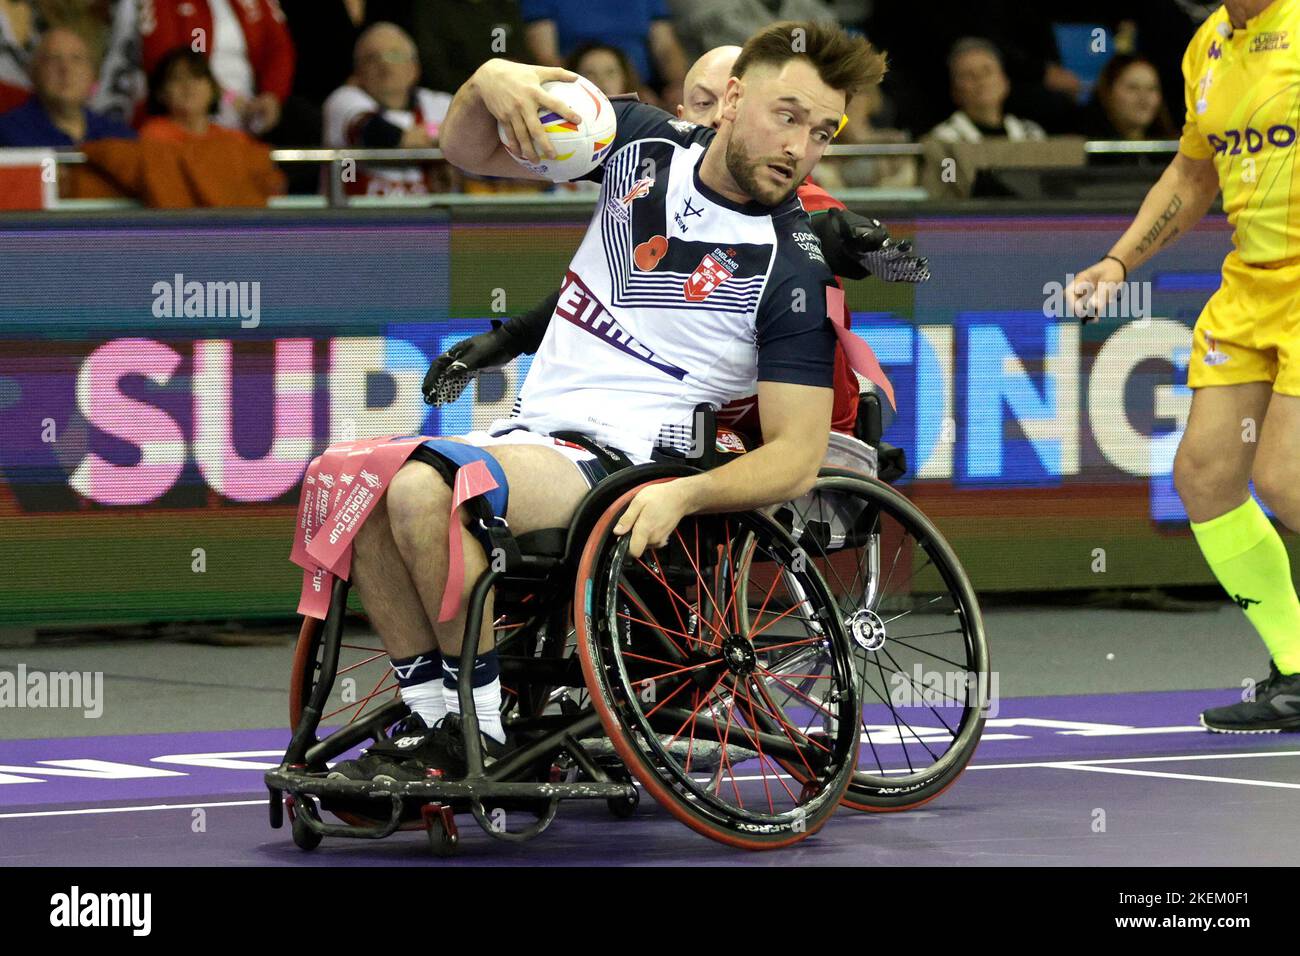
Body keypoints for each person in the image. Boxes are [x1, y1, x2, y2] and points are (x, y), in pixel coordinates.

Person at [328, 20, 888, 782]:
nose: (799, 146)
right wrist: (489, 80)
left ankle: (478, 732)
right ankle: (434, 721)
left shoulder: (794, 268)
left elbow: (796, 456)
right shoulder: (642, 143)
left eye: (821, 131)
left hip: (629, 459)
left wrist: (687, 495)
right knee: (355, 485)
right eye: (786, 115)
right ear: (730, 99)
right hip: (535, 435)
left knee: (431, 485)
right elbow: (467, 148)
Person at [424, 43, 928, 445]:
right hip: (606, 426)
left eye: (805, 125)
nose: (716, 119)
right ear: (684, 112)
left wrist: (838, 234)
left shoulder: (788, 202)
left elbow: (814, 222)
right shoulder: (652, 157)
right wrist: (490, 76)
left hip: (756, 427)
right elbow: (636, 298)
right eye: (702, 104)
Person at [1067, 0, 1300, 733]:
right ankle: (1296, 668)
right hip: (1251, 287)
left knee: (1285, 476)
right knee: (1204, 475)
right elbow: (1193, 176)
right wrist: (1118, 259)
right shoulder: (1207, 46)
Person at [321, 22, 453, 196]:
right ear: (357, 71)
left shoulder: (439, 104)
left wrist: (428, 136)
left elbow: (478, 137)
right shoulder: (343, 100)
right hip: (358, 220)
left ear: (414, 69)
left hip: (429, 220)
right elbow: (374, 133)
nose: (385, 66)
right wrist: (434, 137)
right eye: (372, 58)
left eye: (395, 56)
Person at [0, 26, 133, 145]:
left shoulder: (119, 137)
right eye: (54, 58)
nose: (66, 69)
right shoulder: (6, 134)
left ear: (94, 74)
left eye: (76, 59)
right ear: (33, 72)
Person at [925, 37, 1046, 144]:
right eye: (967, 74)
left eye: (987, 71)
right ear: (954, 91)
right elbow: (947, 170)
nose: (980, 80)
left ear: (1005, 82)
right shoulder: (942, 140)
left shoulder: (1031, 134)